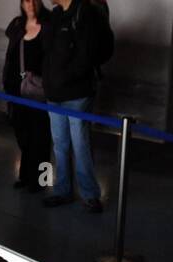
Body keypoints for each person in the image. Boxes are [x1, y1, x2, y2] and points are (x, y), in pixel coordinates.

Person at [41, 0, 114, 213]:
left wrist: (62, 78)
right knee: (60, 144)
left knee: (80, 144)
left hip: (76, 94)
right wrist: (49, 81)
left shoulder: (85, 13)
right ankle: (63, 190)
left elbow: (85, 57)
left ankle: (90, 194)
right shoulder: (55, 14)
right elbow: (49, 52)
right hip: (54, 93)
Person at [2, 0, 52, 193]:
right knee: (23, 134)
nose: (30, 4)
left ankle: (41, 180)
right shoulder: (17, 25)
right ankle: (25, 175)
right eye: (26, 0)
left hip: (38, 90)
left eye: (34, 0)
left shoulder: (48, 26)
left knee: (41, 136)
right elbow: (11, 55)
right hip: (16, 89)